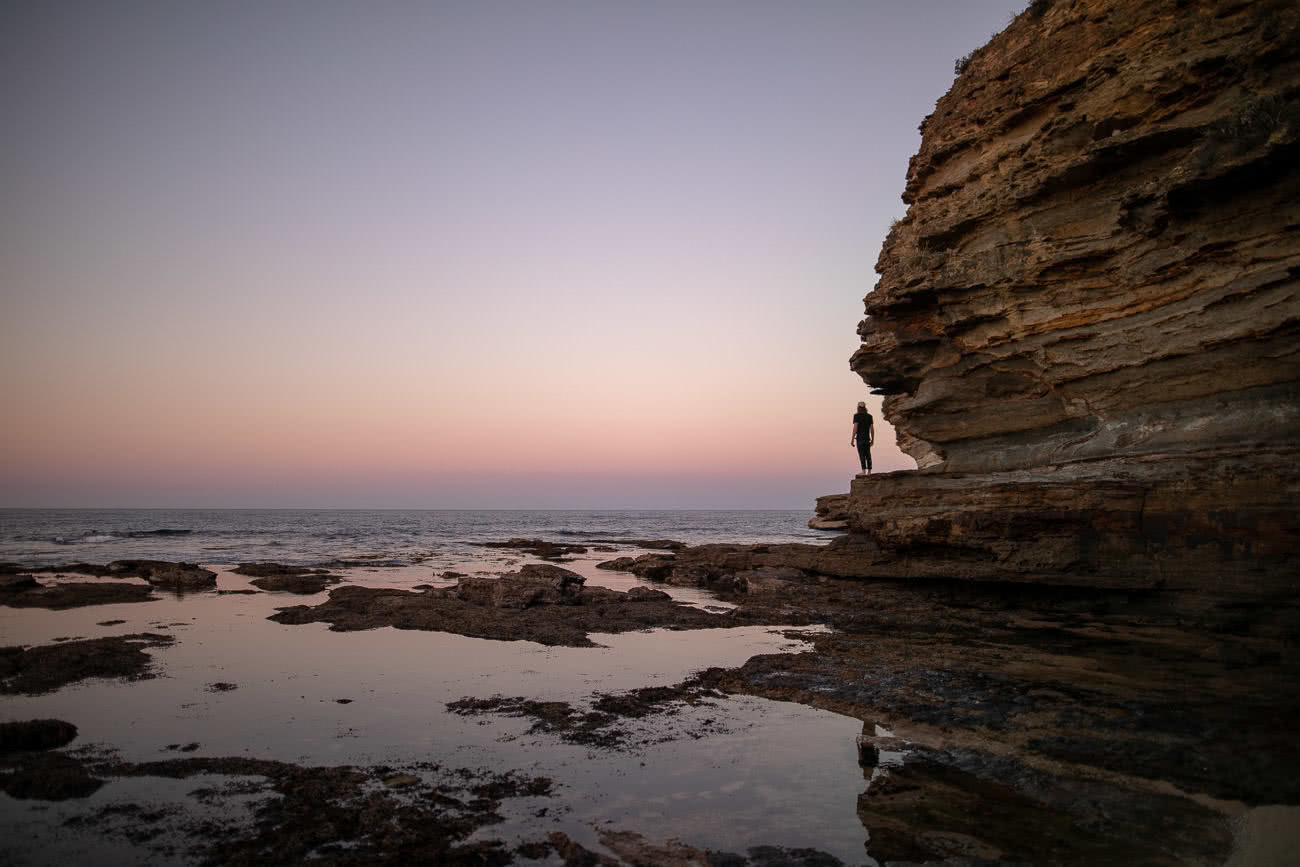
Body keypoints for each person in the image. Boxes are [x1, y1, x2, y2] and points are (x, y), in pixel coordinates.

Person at [851, 401, 874, 475]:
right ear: (865, 407)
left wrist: (852, 439)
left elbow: (855, 427)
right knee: (868, 455)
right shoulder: (869, 416)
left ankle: (863, 471)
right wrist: (873, 440)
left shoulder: (856, 416)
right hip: (867, 438)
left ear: (858, 407)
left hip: (860, 438)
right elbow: (872, 429)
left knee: (862, 455)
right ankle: (869, 471)